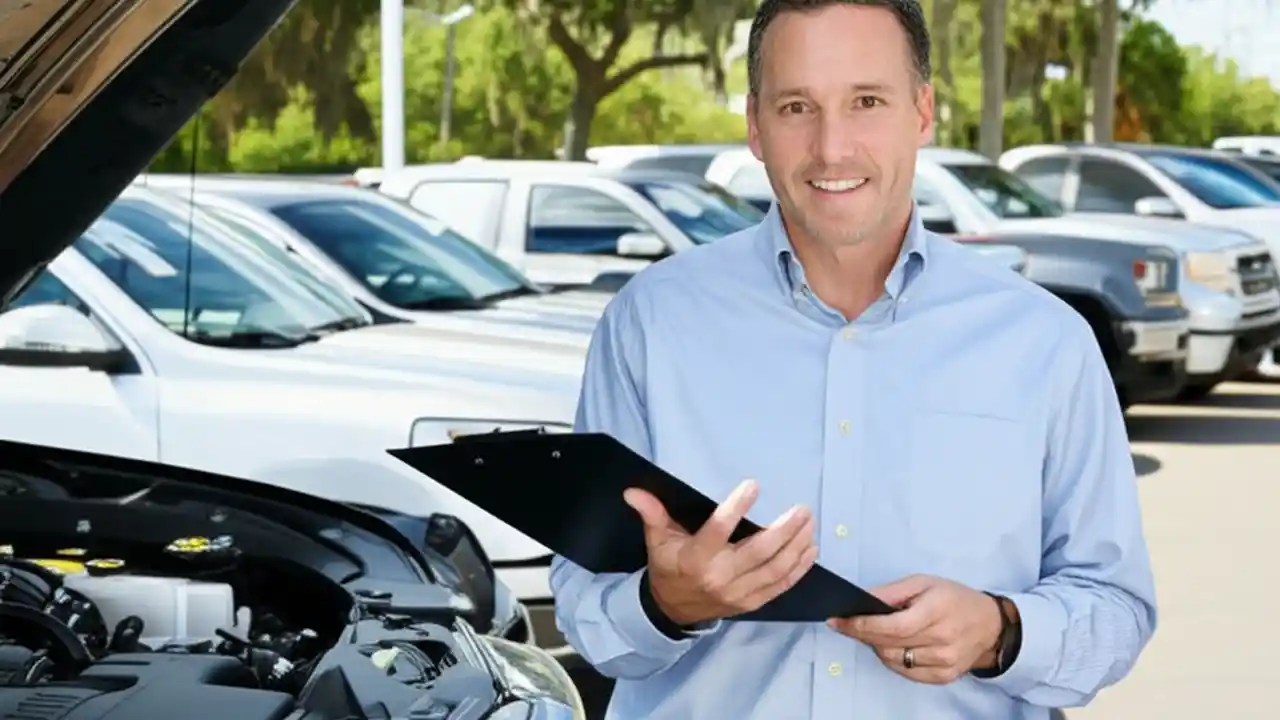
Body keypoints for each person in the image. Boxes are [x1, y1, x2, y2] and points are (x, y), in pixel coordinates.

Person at [548, 0, 1158, 717]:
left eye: (866, 101)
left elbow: (1116, 608)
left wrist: (1000, 630)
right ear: (754, 125)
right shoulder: (649, 324)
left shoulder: (1044, 341)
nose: (832, 147)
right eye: (796, 106)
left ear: (922, 112)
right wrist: (664, 602)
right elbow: (586, 615)